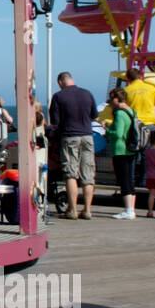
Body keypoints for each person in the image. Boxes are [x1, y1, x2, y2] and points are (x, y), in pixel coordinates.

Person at [49, 71, 98, 220]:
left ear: (60, 82)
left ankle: (73, 210)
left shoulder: (58, 97)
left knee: (71, 173)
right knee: (88, 174)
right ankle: (87, 210)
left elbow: (54, 122)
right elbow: (94, 115)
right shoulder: (87, 94)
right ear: (72, 80)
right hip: (87, 136)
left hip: (69, 136)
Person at [123, 67, 155, 186]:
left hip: (134, 125)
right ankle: (144, 181)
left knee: (132, 154)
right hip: (150, 125)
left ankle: (130, 181)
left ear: (128, 78)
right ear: (141, 76)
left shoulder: (126, 90)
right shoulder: (151, 89)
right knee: (147, 156)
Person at [106, 88, 137, 220]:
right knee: (129, 179)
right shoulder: (131, 111)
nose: (110, 103)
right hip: (130, 149)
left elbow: (118, 134)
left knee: (123, 180)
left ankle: (128, 210)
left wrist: (107, 130)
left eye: (111, 99)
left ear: (117, 99)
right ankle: (131, 209)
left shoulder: (119, 113)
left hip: (120, 150)